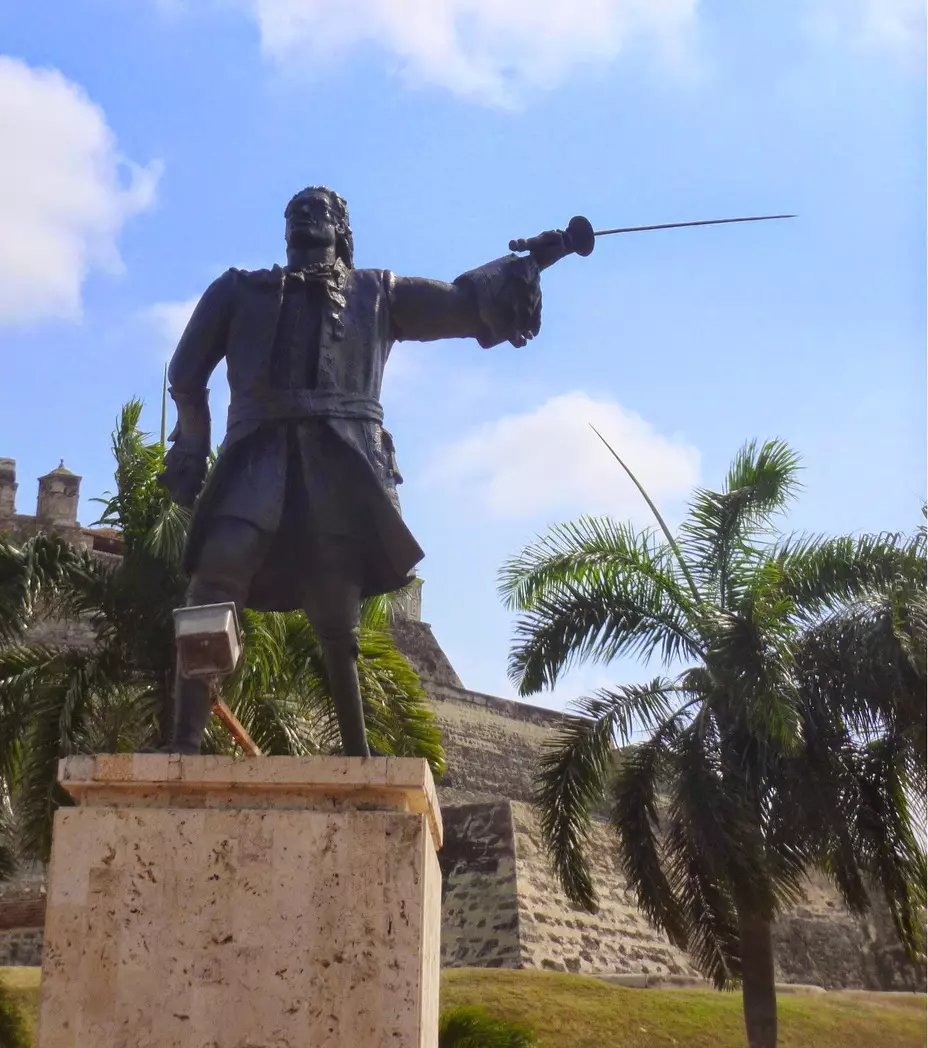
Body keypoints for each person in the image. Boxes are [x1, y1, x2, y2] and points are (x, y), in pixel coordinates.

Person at [160, 185, 550, 755]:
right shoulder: (237, 291)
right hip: (255, 460)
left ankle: (359, 756)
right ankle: (185, 742)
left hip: (339, 465)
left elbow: (461, 305)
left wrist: (528, 264)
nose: (307, 213)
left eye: (323, 209)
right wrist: (192, 445)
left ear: (343, 231)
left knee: (335, 610)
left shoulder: (376, 293)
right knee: (213, 581)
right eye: (297, 208)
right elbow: (185, 371)